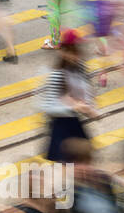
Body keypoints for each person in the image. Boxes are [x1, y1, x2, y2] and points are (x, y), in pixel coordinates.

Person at [41, 30, 97, 163]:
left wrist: (88, 107)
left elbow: (87, 92)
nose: (77, 55)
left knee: (83, 158)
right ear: (63, 52)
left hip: (74, 122)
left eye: (78, 51)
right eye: (73, 51)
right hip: (60, 125)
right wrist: (74, 107)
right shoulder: (57, 75)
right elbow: (48, 107)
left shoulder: (80, 67)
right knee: (66, 164)